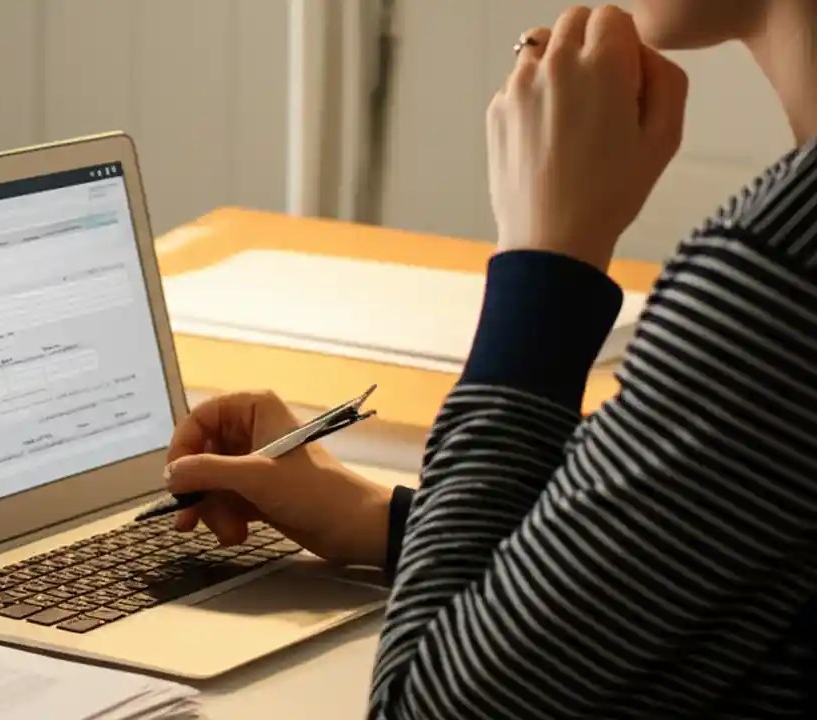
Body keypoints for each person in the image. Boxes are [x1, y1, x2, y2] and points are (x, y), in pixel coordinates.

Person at [162, 2, 817, 717]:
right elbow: (708, 553)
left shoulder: (779, 283)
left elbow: (427, 706)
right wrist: (391, 520)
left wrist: (546, 263)